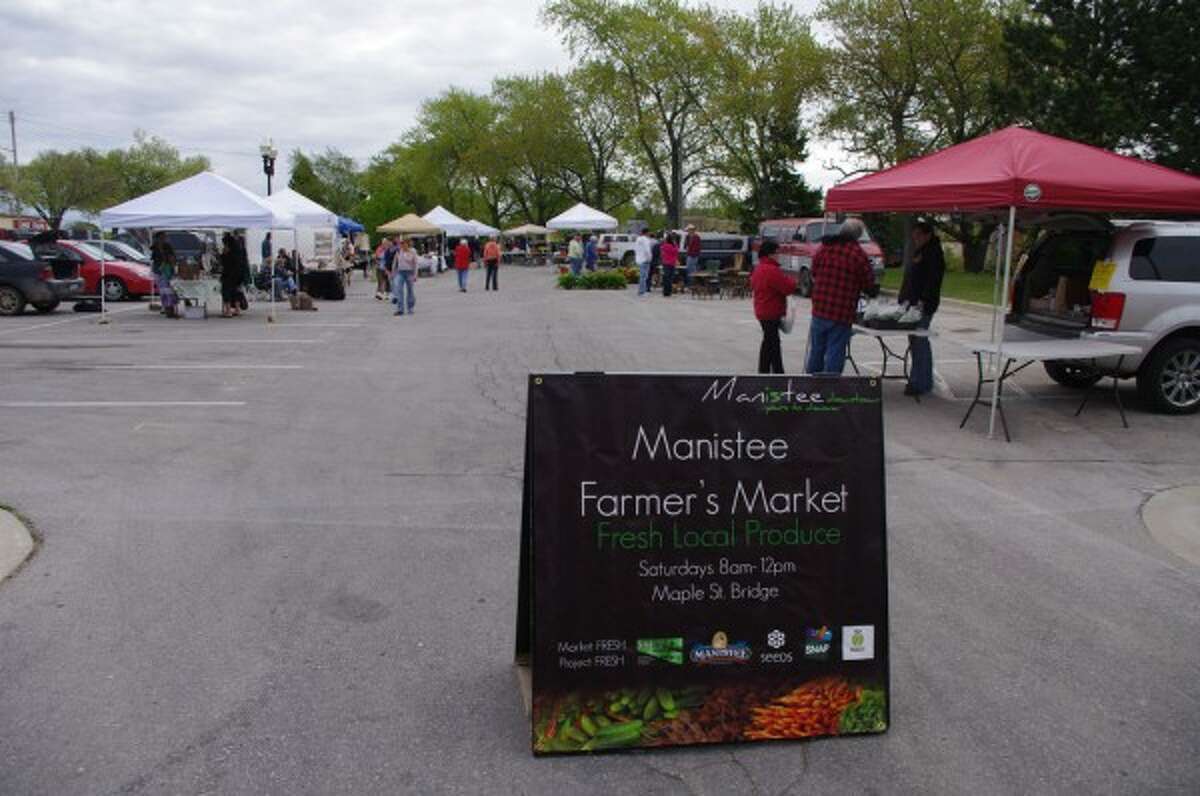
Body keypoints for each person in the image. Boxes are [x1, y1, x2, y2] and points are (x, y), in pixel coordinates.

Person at [806, 218, 877, 375]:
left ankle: (810, 385)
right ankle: (830, 386)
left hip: (820, 307)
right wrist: (869, 291)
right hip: (841, 310)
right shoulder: (858, 254)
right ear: (858, 236)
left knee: (817, 349)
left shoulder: (824, 248)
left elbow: (814, 272)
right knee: (835, 350)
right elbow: (868, 283)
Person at [899, 220, 946, 396]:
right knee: (915, 342)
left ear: (928, 235)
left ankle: (922, 382)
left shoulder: (933, 253)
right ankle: (917, 379)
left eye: (918, 235)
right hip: (912, 304)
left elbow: (932, 281)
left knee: (919, 341)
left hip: (922, 305)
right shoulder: (922, 250)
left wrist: (922, 301)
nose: (915, 238)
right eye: (914, 235)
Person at [750, 241, 797, 374]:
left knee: (768, 342)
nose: (779, 255)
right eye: (778, 252)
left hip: (762, 309)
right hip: (770, 311)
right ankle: (778, 373)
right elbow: (788, 288)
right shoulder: (771, 270)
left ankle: (764, 371)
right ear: (771, 253)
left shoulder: (759, 267)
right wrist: (792, 281)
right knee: (773, 344)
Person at [219, 232, 249, 318]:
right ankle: (237, 309)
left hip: (229, 275)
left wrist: (222, 254)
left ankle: (228, 311)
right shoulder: (239, 249)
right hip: (239, 274)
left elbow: (224, 262)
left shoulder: (229, 250)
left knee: (226, 291)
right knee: (236, 292)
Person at [150, 231, 179, 318]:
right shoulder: (154, 247)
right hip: (159, 271)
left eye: (164, 237)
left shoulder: (167, 246)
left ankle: (170, 309)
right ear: (158, 238)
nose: (164, 238)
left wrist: (170, 263)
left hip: (167, 271)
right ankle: (168, 310)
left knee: (170, 291)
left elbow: (172, 257)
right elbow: (154, 259)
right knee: (164, 291)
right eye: (163, 237)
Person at [391, 238, 418, 315]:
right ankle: (400, 309)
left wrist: (415, 275)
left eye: (404, 243)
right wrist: (393, 271)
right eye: (401, 244)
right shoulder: (399, 251)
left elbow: (415, 263)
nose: (403, 245)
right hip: (400, 272)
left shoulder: (413, 251)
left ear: (408, 244)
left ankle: (410, 307)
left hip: (410, 272)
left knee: (410, 291)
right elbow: (395, 262)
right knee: (399, 290)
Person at [634, 227, 654, 296]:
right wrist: (650, 258)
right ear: (647, 233)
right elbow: (647, 250)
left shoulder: (638, 239)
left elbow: (636, 249)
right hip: (645, 259)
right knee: (644, 276)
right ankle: (642, 291)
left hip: (639, 259)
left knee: (642, 276)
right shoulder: (646, 240)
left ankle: (641, 290)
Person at [660, 233, 680, 297]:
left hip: (665, 263)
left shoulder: (664, 245)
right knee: (670, 278)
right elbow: (676, 251)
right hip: (672, 263)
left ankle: (665, 292)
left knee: (666, 277)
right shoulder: (673, 246)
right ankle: (668, 291)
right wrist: (675, 244)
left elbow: (662, 253)